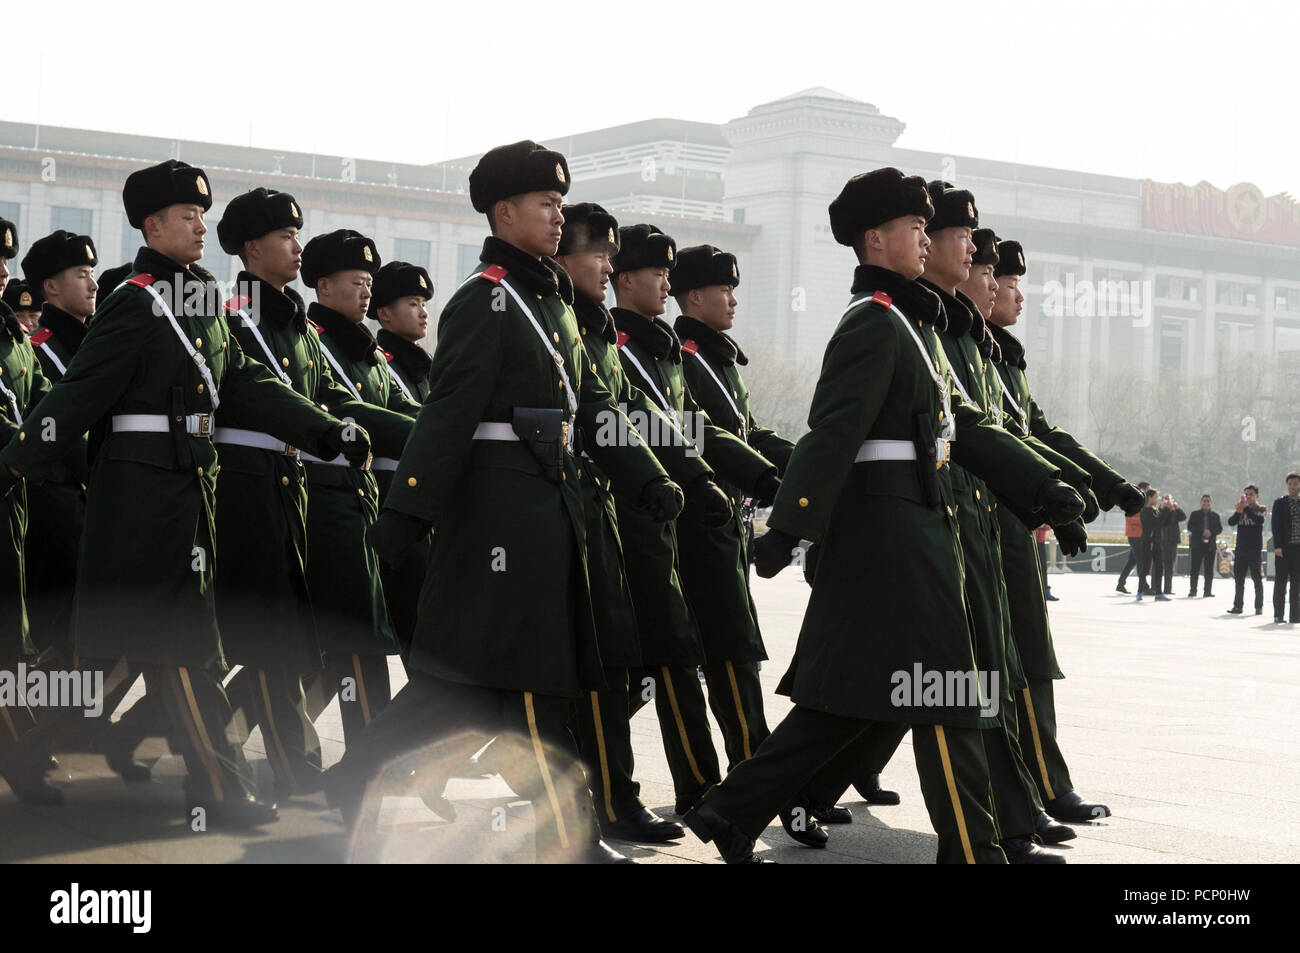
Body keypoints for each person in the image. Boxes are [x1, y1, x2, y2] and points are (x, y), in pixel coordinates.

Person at [681, 167, 1086, 864]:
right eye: (916, 228)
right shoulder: (872, 322)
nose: (927, 241)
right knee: (950, 691)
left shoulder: (910, 324)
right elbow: (832, 431)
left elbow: (965, 429)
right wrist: (789, 528)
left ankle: (729, 808)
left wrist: (1046, 488)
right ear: (876, 238)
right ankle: (975, 848)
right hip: (891, 540)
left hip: (918, 533)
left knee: (847, 704)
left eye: (930, 227)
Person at [327, 139, 685, 863]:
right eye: (547, 205)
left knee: (462, 692)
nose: (559, 217)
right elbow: (447, 414)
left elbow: (595, 410)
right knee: (531, 683)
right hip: (497, 519)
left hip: (549, 513)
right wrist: (407, 512)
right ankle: (571, 834)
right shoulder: (485, 298)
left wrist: (647, 476)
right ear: (504, 211)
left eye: (561, 204)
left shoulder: (550, 303)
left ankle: (352, 777)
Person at [0, 161, 373, 826]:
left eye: (203, 214)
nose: (203, 225)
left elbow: (247, 382)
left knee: (117, 647)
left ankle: (29, 748)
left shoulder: (199, 301)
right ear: (152, 225)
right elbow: (78, 394)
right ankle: (218, 788)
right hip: (139, 501)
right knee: (179, 645)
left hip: (191, 492)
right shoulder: (134, 301)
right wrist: (13, 463)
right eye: (188, 216)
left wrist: (325, 430)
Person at [213, 189, 416, 795]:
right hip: (253, 488)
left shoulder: (296, 324)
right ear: (252, 247)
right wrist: (334, 430)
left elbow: (336, 398)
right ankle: (317, 767)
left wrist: (433, 434)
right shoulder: (232, 315)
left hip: (300, 487)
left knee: (298, 640)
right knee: (295, 637)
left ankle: (291, 760)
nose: (297, 248)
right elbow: (276, 398)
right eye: (285, 238)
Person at [553, 202, 719, 843]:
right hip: (575, 511)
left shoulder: (590, 329)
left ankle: (620, 797)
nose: (611, 267)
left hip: (617, 510)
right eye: (602, 255)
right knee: (555, 670)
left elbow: (640, 422)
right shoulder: (562, 323)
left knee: (618, 662)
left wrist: (687, 478)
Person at [609, 225, 785, 824]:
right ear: (624, 279)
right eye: (659, 275)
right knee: (690, 654)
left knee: (702, 653)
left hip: (704, 512)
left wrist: (771, 474)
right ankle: (711, 785)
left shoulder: (666, 352)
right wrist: (723, 479)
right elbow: (673, 433)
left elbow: (711, 432)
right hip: (662, 520)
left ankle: (735, 782)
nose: (732, 299)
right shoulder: (627, 350)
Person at [986, 237, 1145, 822]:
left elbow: (1043, 434)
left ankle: (1039, 790)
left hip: (1010, 522)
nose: (1016, 295)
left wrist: (1104, 487)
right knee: (921, 678)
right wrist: (1055, 498)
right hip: (979, 524)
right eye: (1004, 281)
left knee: (994, 664)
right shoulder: (951, 347)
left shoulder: (999, 357)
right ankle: (1037, 793)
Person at [296, 230, 421, 748]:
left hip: (363, 495)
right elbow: (352, 409)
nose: (367, 291)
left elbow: (404, 408)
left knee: (344, 640)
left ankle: (242, 730)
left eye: (371, 281)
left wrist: (447, 430)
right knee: (354, 637)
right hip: (324, 494)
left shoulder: (368, 353)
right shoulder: (315, 341)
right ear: (323, 285)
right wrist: (432, 433)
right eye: (357, 281)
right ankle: (369, 760)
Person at [1227, 485, 1266, 615]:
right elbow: (1231, 522)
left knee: (1257, 579)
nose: (1249, 496)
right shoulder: (1241, 509)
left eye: (1251, 494)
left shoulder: (1260, 509)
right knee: (1239, 580)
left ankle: (1258, 606)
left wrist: (1247, 509)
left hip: (1254, 550)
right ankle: (1237, 606)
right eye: (1246, 494)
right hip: (1241, 550)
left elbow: (1259, 520)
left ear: (1257, 496)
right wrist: (1238, 512)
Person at [1271, 473, 1300, 624]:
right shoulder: (1280, 503)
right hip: (1284, 549)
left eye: (1295, 483)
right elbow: (1275, 526)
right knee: (1281, 582)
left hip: (1298, 549)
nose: (1293, 486)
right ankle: (1278, 615)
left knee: (1296, 584)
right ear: (1287, 485)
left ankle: (1295, 616)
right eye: (1290, 484)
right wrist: (1277, 546)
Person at [1116, 481, 1150, 593]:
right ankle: (1144, 586)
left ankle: (1121, 583)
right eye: (1147, 490)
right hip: (1134, 534)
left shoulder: (1141, 501)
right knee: (1140, 560)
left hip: (1138, 534)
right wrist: (1144, 519)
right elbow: (1130, 517)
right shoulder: (1134, 500)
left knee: (1132, 561)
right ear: (1142, 489)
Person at [1186, 494, 1221, 598]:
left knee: (1209, 569)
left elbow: (1219, 528)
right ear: (1201, 502)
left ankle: (1207, 591)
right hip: (1197, 544)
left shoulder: (1215, 516)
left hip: (1210, 545)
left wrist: (1211, 532)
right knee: (1194, 569)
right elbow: (1190, 526)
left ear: (1211, 503)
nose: (1206, 503)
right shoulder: (1194, 514)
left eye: (1208, 501)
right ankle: (1193, 590)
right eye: (1204, 501)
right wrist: (1202, 532)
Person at [1137, 488, 1168, 601]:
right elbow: (1156, 523)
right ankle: (1140, 591)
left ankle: (1159, 593)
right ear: (1149, 497)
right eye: (1156, 497)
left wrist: (1168, 510)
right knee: (1145, 567)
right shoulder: (1145, 510)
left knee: (1159, 567)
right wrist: (1162, 509)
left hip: (1157, 542)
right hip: (1148, 542)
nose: (1157, 499)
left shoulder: (1156, 510)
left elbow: (1163, 522)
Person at [1158, 493, 1185, 595]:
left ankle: (1168, 589)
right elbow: (1161, 520)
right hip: (1162, 541)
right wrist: (1164, 508)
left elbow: (1183, 517)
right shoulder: (1160, 510)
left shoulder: (1174, 511)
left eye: (1169, 500)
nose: (1168, 502)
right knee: (1159, 566)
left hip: (1172, 541)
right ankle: (1156, 588)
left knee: (1170, 566)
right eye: (1166, 499)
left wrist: (1176, 508)